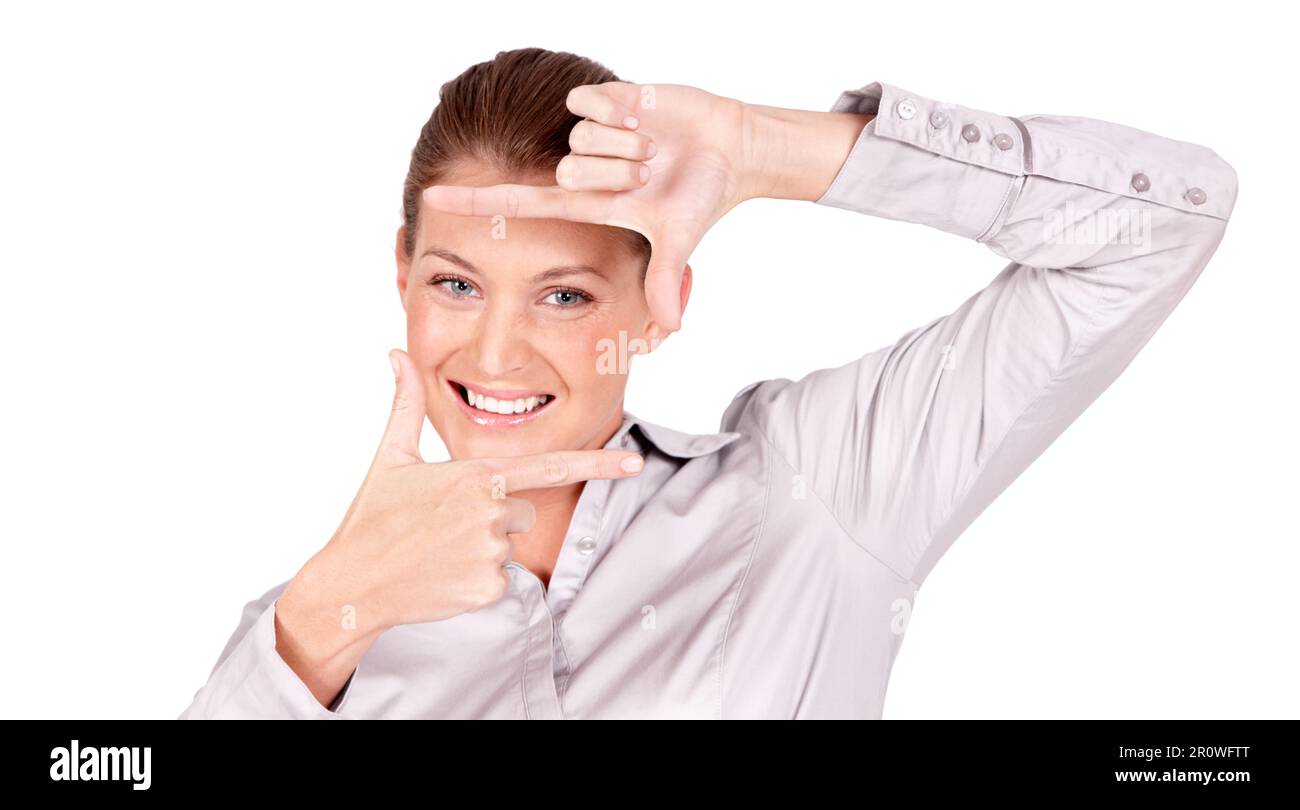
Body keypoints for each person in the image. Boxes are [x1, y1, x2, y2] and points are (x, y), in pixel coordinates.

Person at [179, 47, 1237, 719]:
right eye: (456, 283)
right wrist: (325, 616)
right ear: (400, 278)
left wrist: (765, 147)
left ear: (663, 304)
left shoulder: (815, 492)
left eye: (563, 297)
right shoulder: (304, 639)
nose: (496, 356)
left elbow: (1161, 224)